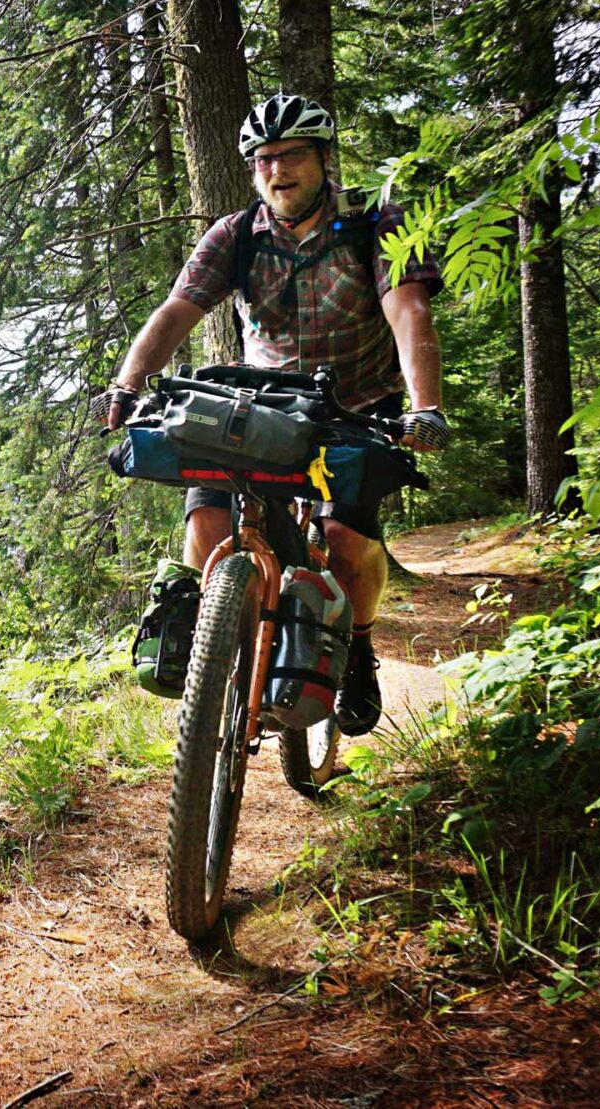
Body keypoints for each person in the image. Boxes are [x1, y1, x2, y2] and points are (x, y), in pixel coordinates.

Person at [104, 94, 448, 736]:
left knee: (345, 540)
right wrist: (125, 386)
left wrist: (425, 406)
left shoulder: (377, 220)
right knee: (208, 521)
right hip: (260, 403)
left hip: (356, 404)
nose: (276, 170)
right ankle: (218, 660)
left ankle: (360, 646)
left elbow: (408, 310)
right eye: (264, 160)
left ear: (324, 159)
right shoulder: (235, 235)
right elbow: (178, 311)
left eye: (291, 156)